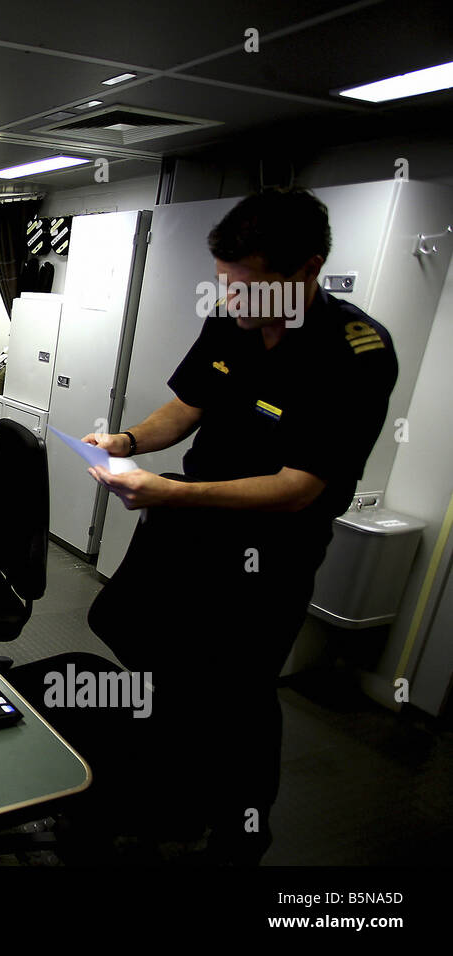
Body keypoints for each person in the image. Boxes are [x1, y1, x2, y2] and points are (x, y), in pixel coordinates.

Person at [82, 188, 398, 864]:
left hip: (267, 550)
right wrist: (128, 442)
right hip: (187, 516)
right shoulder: (230, 318)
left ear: (307, 269)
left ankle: (239, 834)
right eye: (226, 284)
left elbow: (297, 489)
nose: (234, 301)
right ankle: (173, 784)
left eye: (249, 286)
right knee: (134, 632)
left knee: (238, 694)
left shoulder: (355, 353)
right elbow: (186, 405)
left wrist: (168, 493)